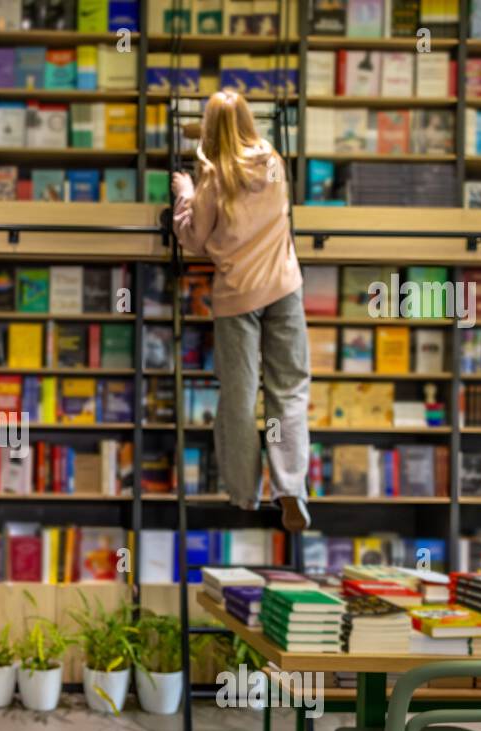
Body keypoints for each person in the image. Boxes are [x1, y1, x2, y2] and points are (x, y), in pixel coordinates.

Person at [171, 90, 310, 533]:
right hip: (284, 288)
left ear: (210, 129)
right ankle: (290, 487)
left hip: (237, 298)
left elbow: (192, 239)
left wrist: (186, 195)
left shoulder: (213, 180)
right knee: (288, 389)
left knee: (239, 394)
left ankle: (243, 491)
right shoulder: (273, 161)